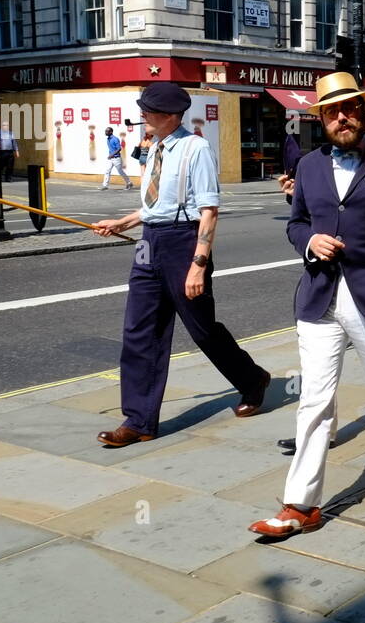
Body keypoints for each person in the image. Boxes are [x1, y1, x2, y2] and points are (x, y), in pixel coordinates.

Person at [249, 73, 365, 537]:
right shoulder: (309, 166)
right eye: (332, 111)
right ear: (322, 118)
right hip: (319, 295)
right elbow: (296, 223)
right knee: (314, 401)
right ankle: (301, 505)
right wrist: (311, 241)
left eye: (349, 108)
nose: (341, 117)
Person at [92, 82, 271, 446]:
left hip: (183, 242)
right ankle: (138, 420)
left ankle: (252, 379)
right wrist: (122, 223)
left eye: (148, 110)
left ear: (171, 116)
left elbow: (208, 210)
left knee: (202, 329)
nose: (141, 115)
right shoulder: (154, 147)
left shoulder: (196, 149)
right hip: (150, 243)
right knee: (139, 331)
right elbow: (154, 206)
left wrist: (198, 264)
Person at [99, 126, 135, 191]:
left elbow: (119, 148)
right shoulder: (108, 139)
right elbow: (111, 149)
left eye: (107, 131)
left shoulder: (115, 139)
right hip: (111, 159)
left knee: (120, 171)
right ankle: (105, 185)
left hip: (116, 158)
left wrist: (112, 154)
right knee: (107, 171)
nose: (105, 132)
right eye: (105, 131)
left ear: (111, 132)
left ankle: (129, 183)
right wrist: (110, 155)